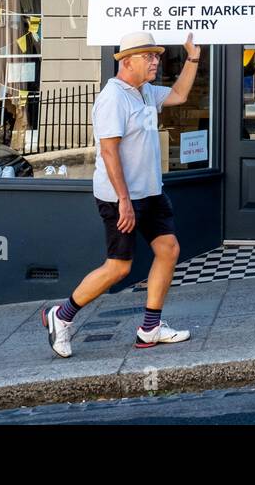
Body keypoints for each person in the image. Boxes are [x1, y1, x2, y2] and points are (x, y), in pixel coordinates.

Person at [41, 30, 202, 356]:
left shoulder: (143, 92)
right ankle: (62, 315)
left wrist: (193, 57)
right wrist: (125, 202)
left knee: (169, 249)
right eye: (149, 56)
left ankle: (150, 328)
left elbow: (180, 95)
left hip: (151, 193)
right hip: (120, 198)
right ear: (127, 61)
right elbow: (109, 153)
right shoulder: (113, 98)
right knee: (119, 267)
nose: (156, 60)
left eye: (157, 55)